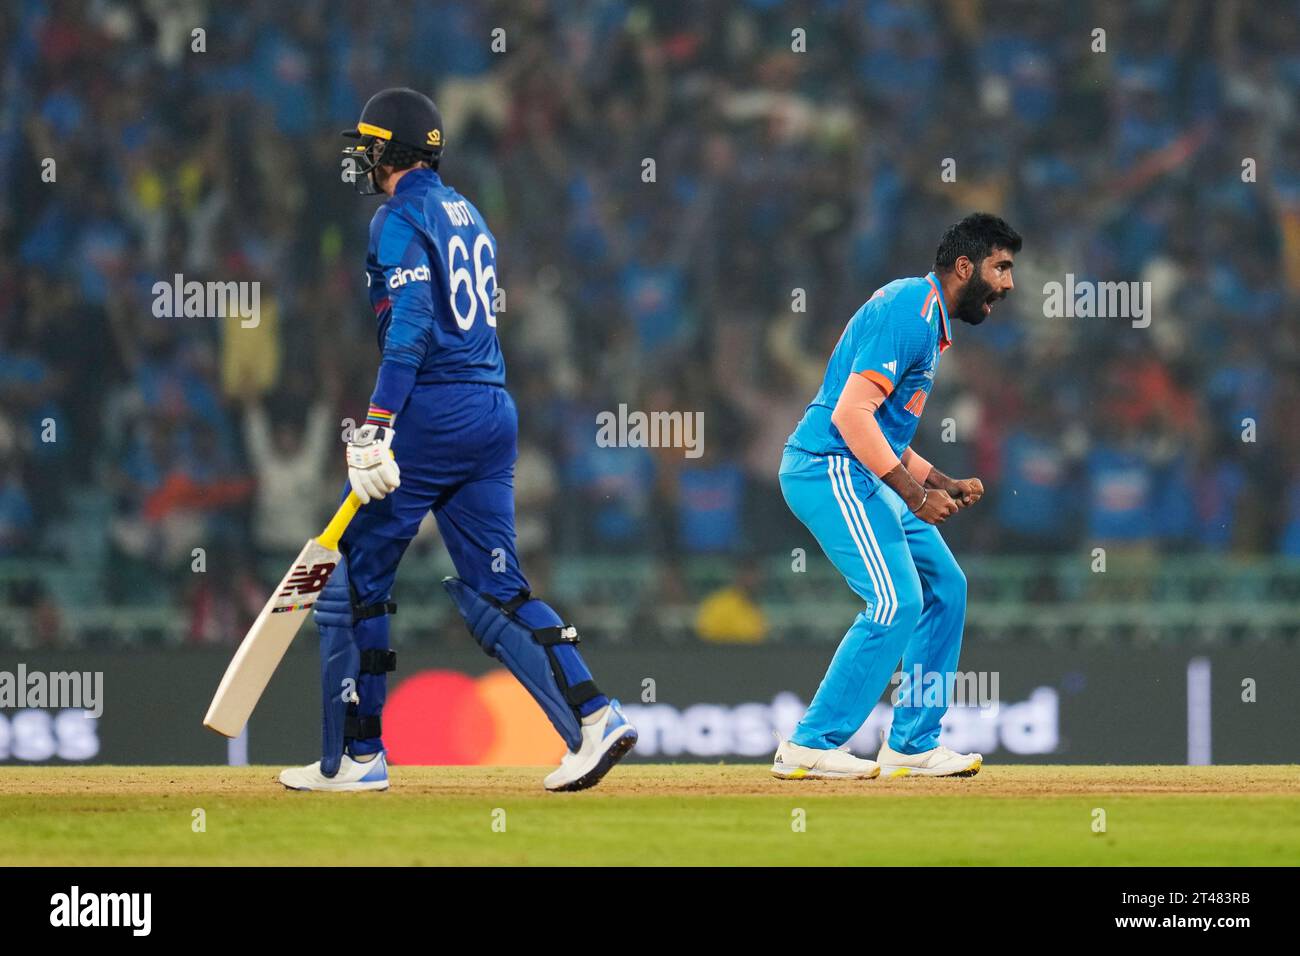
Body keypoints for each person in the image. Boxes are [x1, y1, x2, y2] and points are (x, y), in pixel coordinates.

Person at [279, 88, 636, 793]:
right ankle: (594, 717)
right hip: (492, 410)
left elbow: (411, 325)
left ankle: (355, 758)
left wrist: (378, 424)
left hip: (432, 412)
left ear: (390, 149)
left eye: (368, 143)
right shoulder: (470, 212)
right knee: (496, 587)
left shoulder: (395, 215)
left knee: (353, 582)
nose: (361, 155)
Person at [772, 213, 1020, 780]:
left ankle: (912, 742)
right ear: (965, 267)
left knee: (946, 588)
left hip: (860, 467)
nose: (1008, 284)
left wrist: (939, 481)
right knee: (894, 602)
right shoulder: (910, 314)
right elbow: (850, 415)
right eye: (1001, 267)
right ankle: (810, 743)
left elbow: (882, 429)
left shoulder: (925, 317)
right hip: (826, 467)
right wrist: (912, 495)